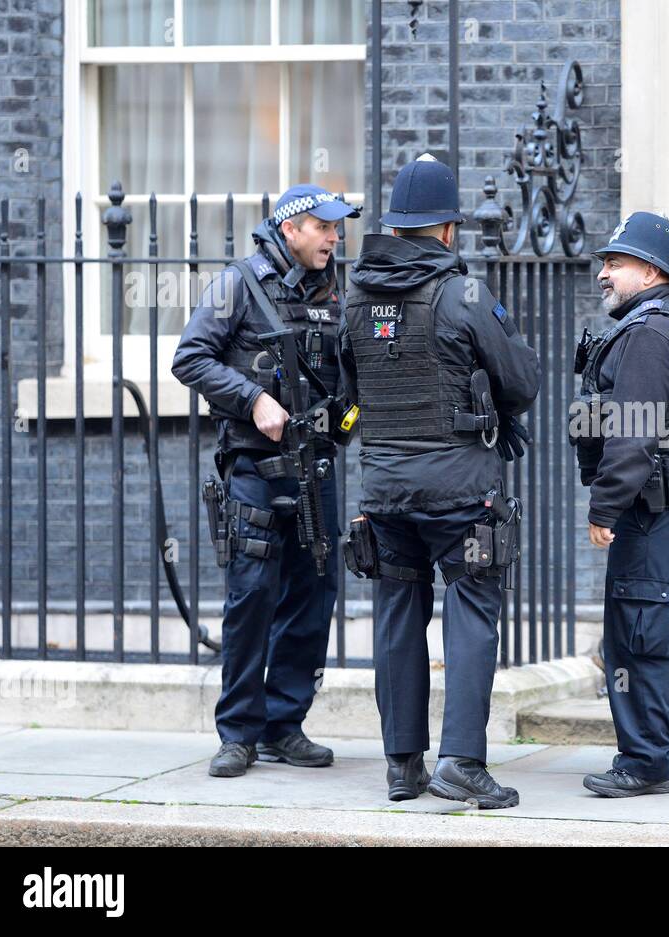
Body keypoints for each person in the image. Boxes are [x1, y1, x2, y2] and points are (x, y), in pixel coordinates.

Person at [338, 155, 540, 807]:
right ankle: (461, 762)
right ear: (449, 229)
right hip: (461, 493)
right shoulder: (465, 293)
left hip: (384, 493)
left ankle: (403, 765)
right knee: (472, 609)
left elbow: (345, 392)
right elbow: (521, 380)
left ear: (396, 229)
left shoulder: (356, 298)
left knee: (398, 614)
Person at [171, 184, 359, 778]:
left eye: (337, 228)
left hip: (318, 464)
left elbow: (350, 371)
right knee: (252, 595)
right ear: (291, 228)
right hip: (255, 468)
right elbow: (190, 358)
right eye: (325, 228)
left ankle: (285, 724)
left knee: (313, 594)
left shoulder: (335, 290)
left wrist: (350, 415)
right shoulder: (237, 285)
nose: (335, 237)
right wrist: (252, 399)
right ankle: (239, 732)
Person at [572, 211, 669, 797]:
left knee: (634, 637)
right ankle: (665, 750)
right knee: (659, 633)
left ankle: (644, 761)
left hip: (654, 508)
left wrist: (604, 507)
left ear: (651, 270)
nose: (604, 273)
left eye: (616, 263)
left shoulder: (648, 333)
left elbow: (635, 434)